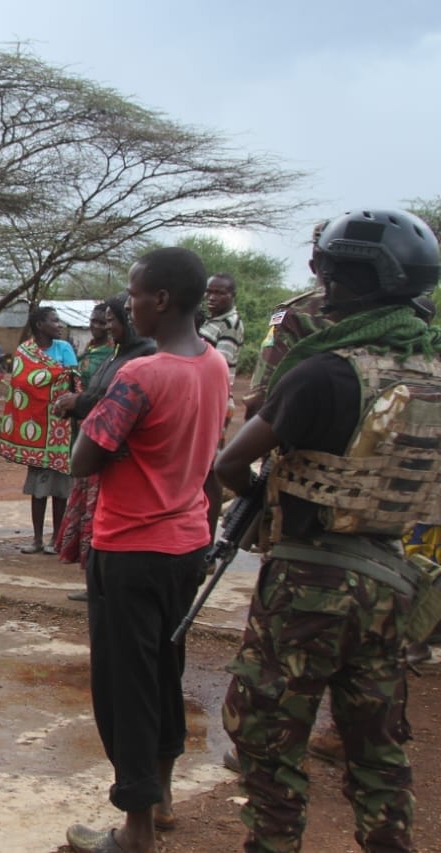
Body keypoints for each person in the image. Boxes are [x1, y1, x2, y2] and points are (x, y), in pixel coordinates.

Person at [215, 209, 441, 852]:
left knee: (265, 734)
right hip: (395, 579)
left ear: (341, 282)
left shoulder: (321, 370)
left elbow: (230, 462)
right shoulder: (430, 371)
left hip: (310, 580)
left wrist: (265, 500)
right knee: (377, 747)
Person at [66, 247, 229, 853]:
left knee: (124, 688)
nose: (126, 304)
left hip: (130, 548)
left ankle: (134, 833)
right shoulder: (214, 366)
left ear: (160, 300)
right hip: (186, 546)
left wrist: (112, 439)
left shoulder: (141, 373)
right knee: (165, 673)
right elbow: (204, 453)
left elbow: (84, 459)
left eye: (133, 293)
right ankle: (159, 799)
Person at [52, 293, 156, 578]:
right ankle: (95, 581)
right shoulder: (118, 353)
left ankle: (104, 582)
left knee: (108, 524)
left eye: (112, 320)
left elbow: (114, 403)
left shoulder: (143, 355)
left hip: (118, 455)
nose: (108, 327)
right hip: (98, 448)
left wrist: (78, 403)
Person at [2, 306, 79, 554]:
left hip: (59, 428)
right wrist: (46, 382)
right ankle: (36, 538)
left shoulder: (64, 348)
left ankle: (56, 538)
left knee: (60, 489)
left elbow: (71, 380)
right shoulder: (25, 351)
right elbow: (20, 381)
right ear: (39, 325)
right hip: (34, 427)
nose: (59, 325)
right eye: (54, 321)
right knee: (38, 488)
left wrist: (48, 380)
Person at [199, 273, 246, 428]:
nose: (211, 297)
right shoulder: (211, 320)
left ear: (233, 296)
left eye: (219, 293)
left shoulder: (230, 324)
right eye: (209, 291)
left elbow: (218, 367)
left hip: (213, 400)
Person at [77, 303, 113, 390]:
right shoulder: (89, 348)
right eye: (93, 321)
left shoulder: (111, 352)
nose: (96, 326)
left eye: (102, 323)